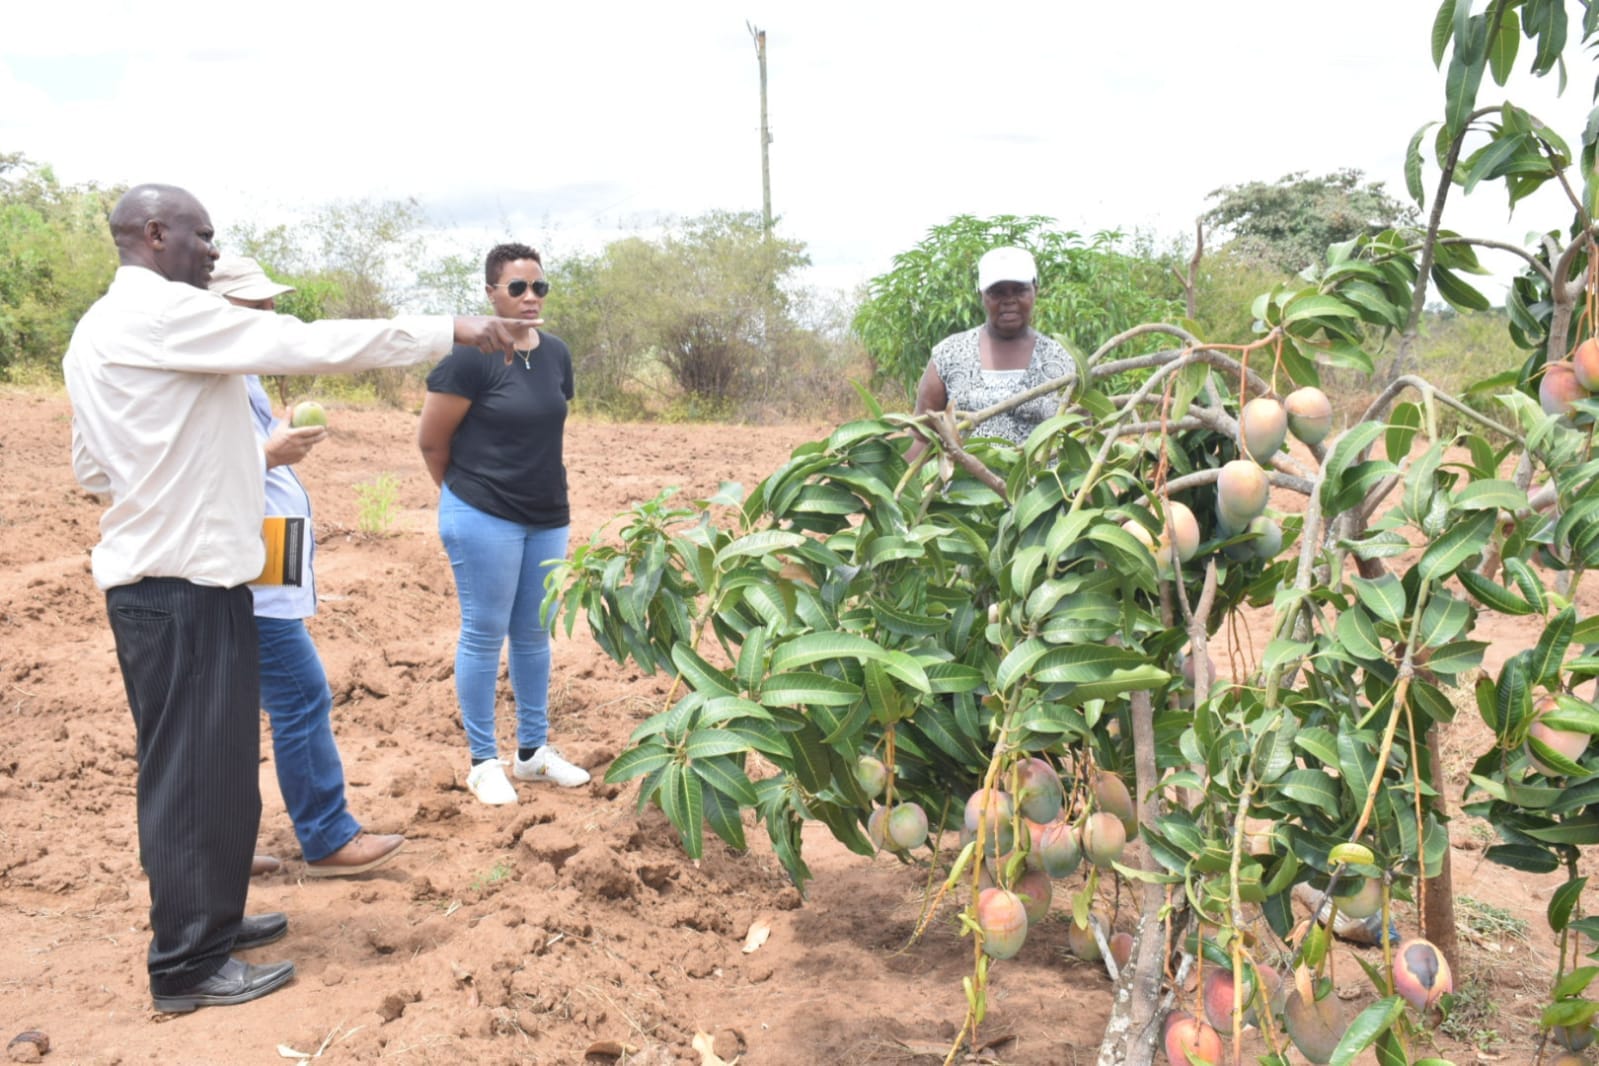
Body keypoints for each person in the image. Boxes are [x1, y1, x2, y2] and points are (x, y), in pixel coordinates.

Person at [65, 184, 532, 1013]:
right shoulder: (162, 312)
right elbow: (309, 342)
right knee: (191, 778)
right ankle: (186, 967)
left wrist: (194, 472)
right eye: (203, 236)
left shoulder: (98, 329)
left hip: (173, 575)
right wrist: (449, 328)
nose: (212, 252)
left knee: (211, 771)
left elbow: (91, 469)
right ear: (155, 233)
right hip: (182, 581)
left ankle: (213, 923)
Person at [208, 256, 407, 879]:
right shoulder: (209, 374)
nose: (269, 313)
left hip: (259, 562)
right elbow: (207, 468)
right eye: (255, 305)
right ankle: (326, 836)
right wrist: (270, 452)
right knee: (300, 695)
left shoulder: (239, 374)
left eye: (270, 303)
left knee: (230, 710)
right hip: (244, 571)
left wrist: (277, 434)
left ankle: (220, 846)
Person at [417, 242, 589, 806]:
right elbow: (432, 442)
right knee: (484, 632)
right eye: (517, 287)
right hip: (483, 511)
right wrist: (466, 499)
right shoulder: (470, 357)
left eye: (539, 286)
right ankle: (483, 762)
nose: (530, 297)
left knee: (535, 633)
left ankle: (533, 754)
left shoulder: (556, 354)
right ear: (491, 293)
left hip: (547, 515)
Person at [910, 246, 1075, 453]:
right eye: (997, 292)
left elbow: (1079, 434)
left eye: (1019, 290)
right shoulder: (949, 355)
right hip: (965, 474)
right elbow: (922, 436)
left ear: (1035, 290)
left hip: (1041, 474)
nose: (1009, 300)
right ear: (981, 294)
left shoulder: (1060, 359)